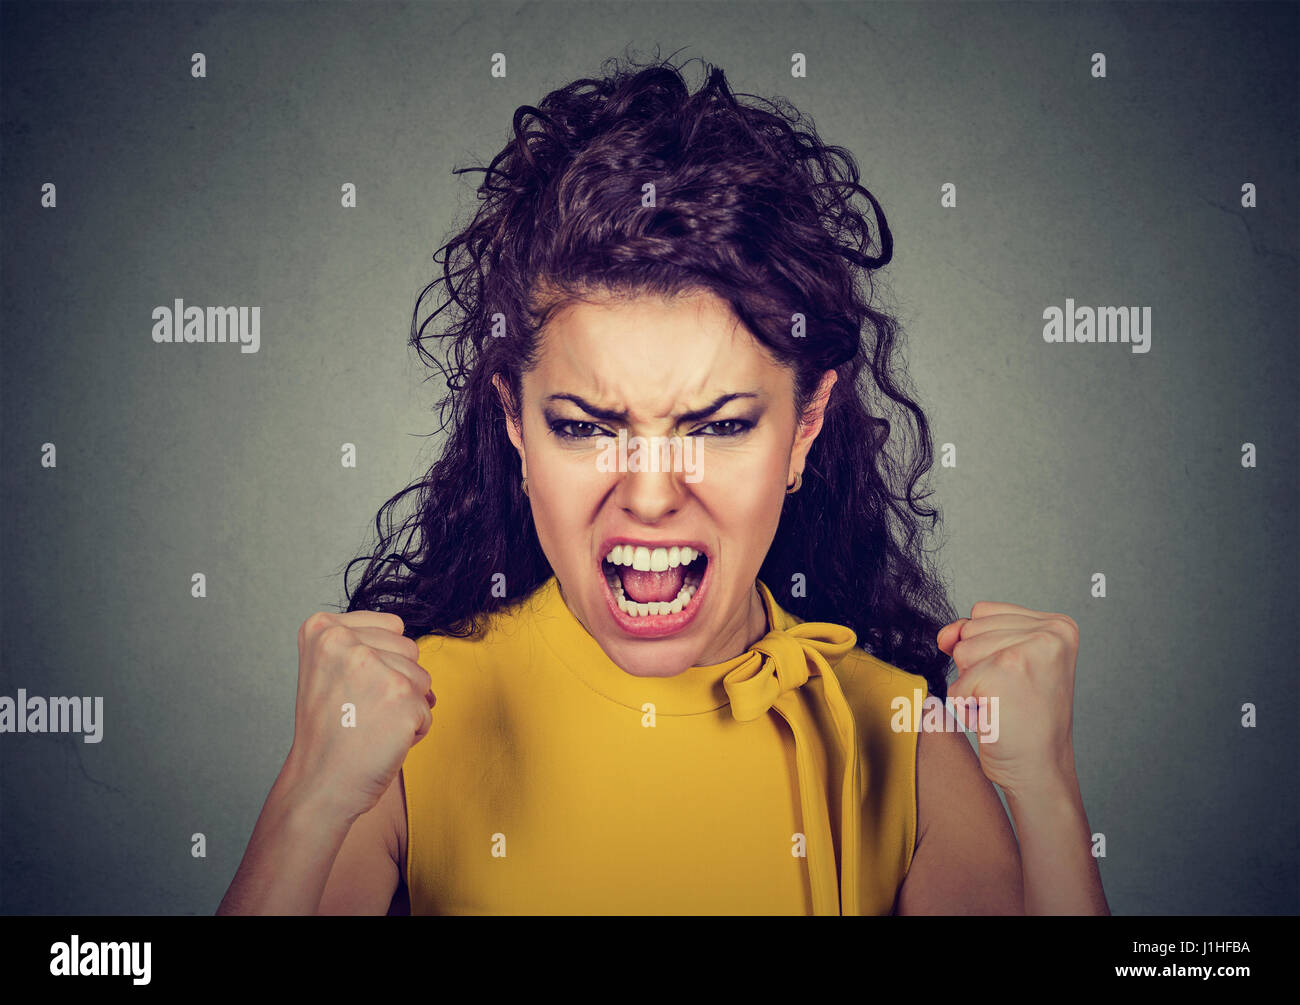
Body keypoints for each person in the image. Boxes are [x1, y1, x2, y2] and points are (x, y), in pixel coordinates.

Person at [218, 54, 1108, 916]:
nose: (648, 495)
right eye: (584, 426)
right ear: (516, 426)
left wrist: (1050, 801)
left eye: (719, 427)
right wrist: (309, 798)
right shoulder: (401, 733)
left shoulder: (906, 737)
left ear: (805, 427)